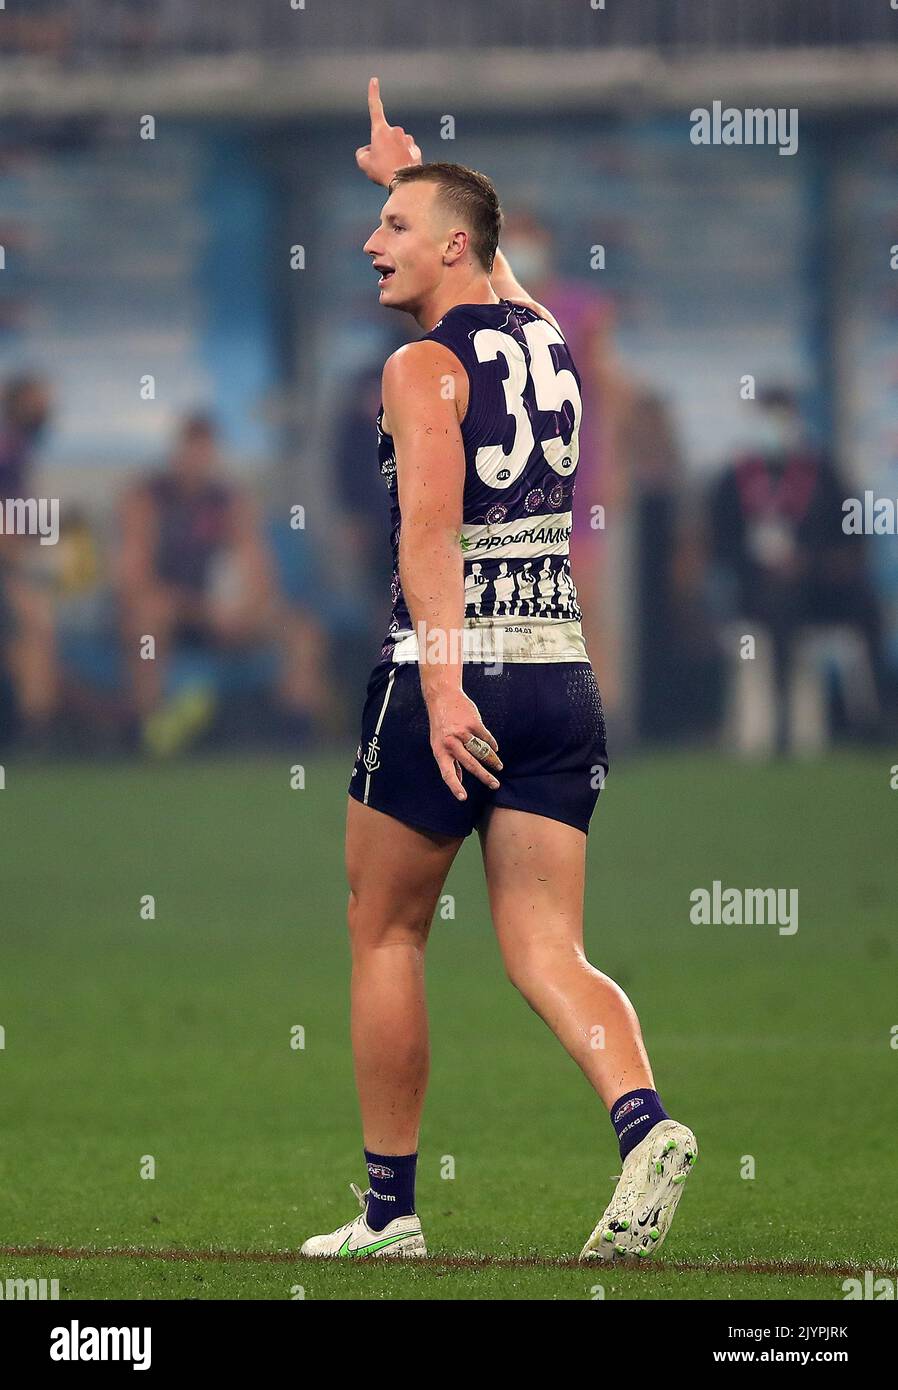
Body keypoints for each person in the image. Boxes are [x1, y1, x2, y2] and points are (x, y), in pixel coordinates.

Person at [301, 80, 697, 1263]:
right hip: (560, 673)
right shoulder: (545, 338)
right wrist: (411, 178)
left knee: (386, 932)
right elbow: (500, 269)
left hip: (455, 675)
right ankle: (643, 1124)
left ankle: (389, 1216)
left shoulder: (421, 368)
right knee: (544, 948)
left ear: (453, 248)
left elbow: (427, 534)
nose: (371, 245)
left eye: (393, 231)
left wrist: (434, 686)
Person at [118, 414, 327, 754]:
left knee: (302, 630)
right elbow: (133, 579)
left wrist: (244, 610)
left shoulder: (231, 502)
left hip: (225, 612)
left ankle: (295, 734)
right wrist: (200, 610)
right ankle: (144, 731)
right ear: (177, 452)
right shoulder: (148, 499)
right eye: (190, 450)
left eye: (205, 451)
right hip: (177, 610)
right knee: (147, 617)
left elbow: (260, 570)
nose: (197, 460)